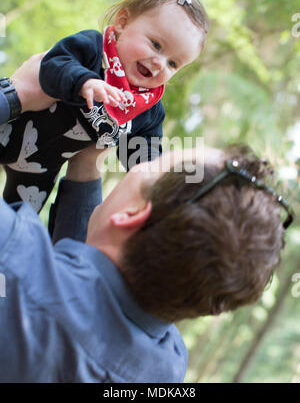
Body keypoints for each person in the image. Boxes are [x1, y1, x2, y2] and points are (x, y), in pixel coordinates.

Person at [0, 56, 292, 383]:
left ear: (134, 215)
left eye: (152, 165)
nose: (139, 166)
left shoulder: (10, 255)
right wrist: (86, 165)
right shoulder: (165, 369)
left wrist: (15, 95)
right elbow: (81, 290)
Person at [0, 0, 209, 212]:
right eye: (156, 45)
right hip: (10, 127)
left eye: (173, 63)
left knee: (18, 221)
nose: (159, 63)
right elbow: (53, 64)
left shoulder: (147, 109)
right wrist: (84, 81)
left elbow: (141, 150)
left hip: (39, 170)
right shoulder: (93, 50)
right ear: (123, 22)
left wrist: (155, 176)